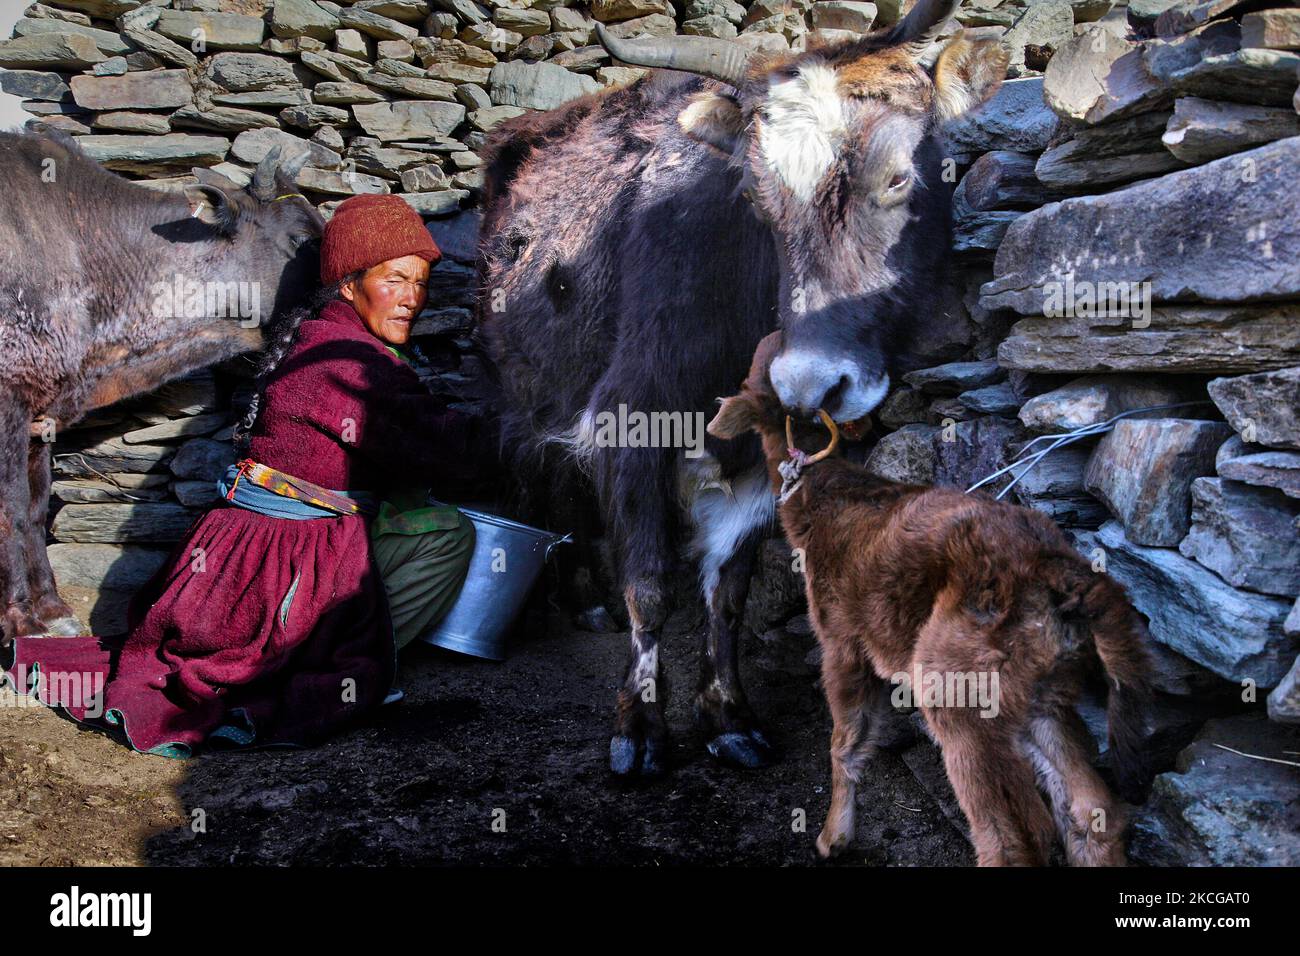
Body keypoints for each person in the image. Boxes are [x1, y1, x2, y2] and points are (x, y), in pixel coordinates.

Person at [7, 194, 478, 756]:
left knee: (411, 523)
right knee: (448, 535)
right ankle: (326, 657)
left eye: (421, 284)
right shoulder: (349, 364)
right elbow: (447, 450)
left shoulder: (319, 338)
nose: (412, 299)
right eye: (396, 279)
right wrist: (528, 429)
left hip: (238, 557)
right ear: (349, 283)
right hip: (279, 559)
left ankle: (334, 648)